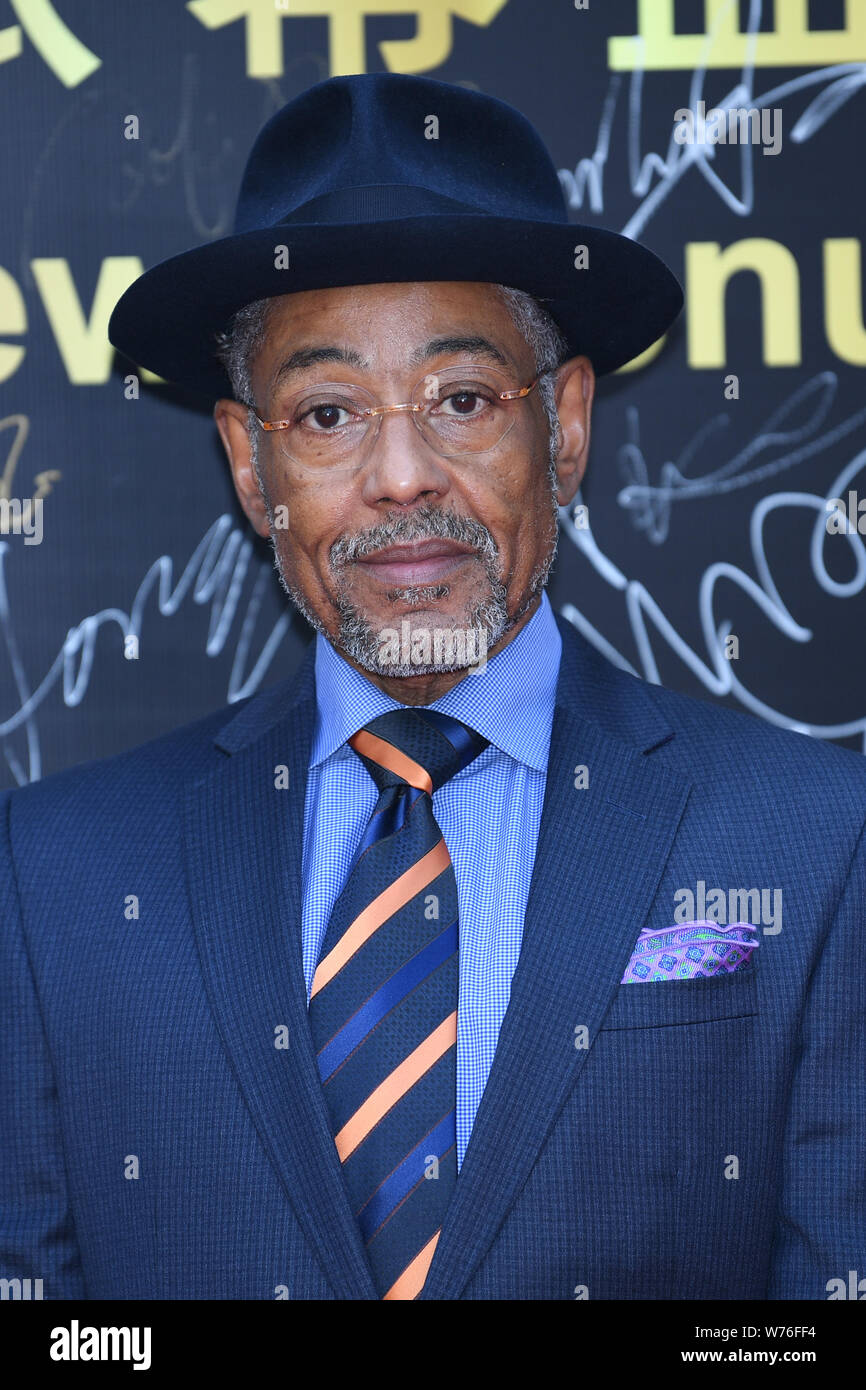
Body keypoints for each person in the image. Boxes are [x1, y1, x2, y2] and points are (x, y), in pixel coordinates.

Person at [1, 72, 863, 1302]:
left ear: (562, 429)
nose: (401, 475)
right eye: (328, 412)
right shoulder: (54, 880)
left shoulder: (814, 846)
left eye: (462, 399)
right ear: (250, 467)